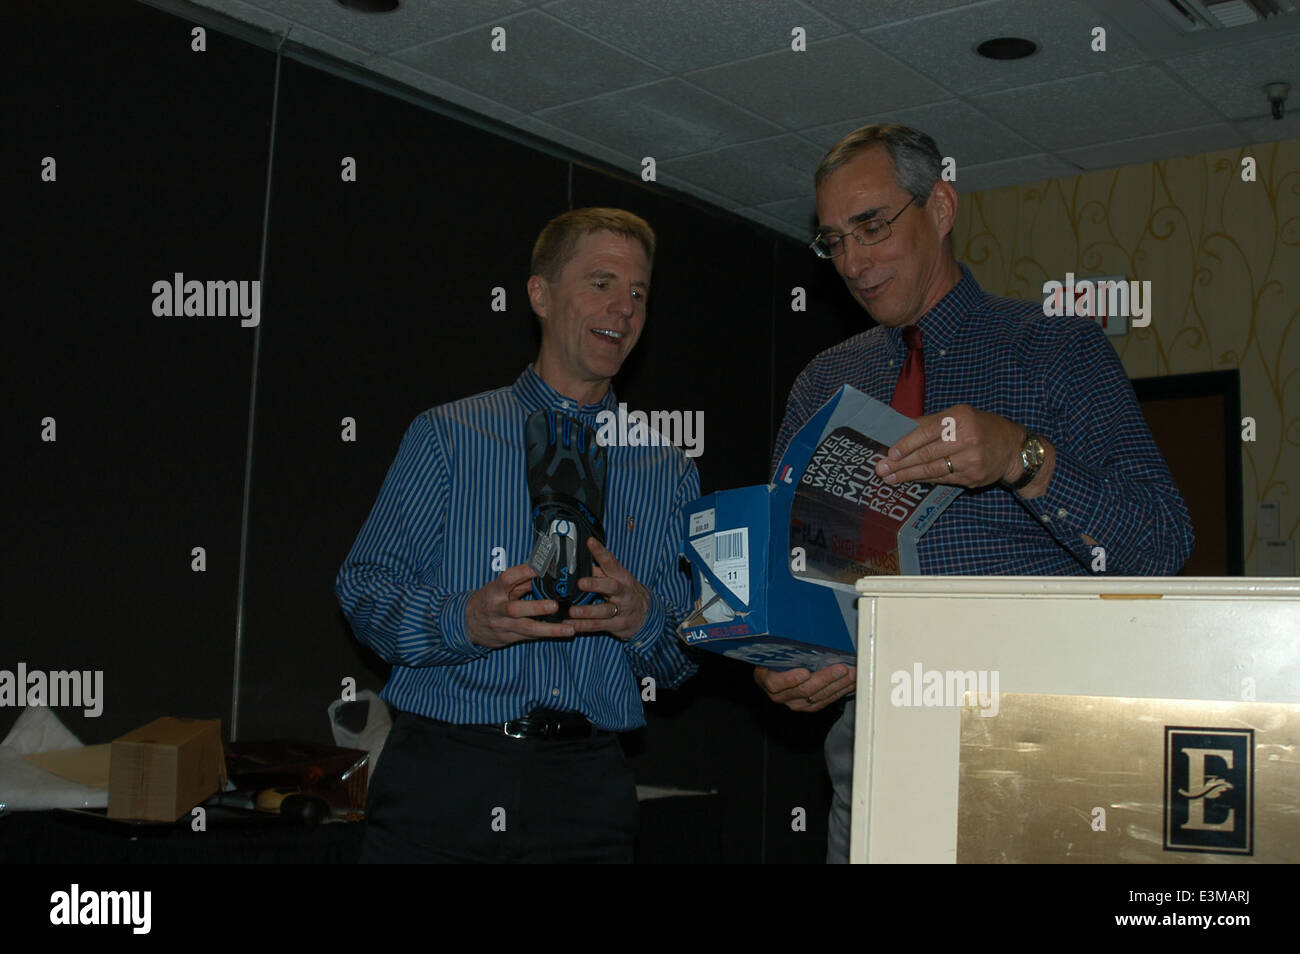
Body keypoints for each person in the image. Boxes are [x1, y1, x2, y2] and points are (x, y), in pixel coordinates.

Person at [756, 124, 1194, 863]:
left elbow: (1162, 543)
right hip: (874, 748)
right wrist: (782, 660)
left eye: (872, 227)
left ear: (943, 207)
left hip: (1039, 740)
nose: (855, 263)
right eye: (834, 242)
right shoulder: (823, 384)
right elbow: (790, 574)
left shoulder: (1059, 347)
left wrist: (1023, 459)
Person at [335, 208, 699, 863]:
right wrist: (464, 620)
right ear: (540, 293)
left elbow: (682, 659)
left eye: (639, 292)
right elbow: (363, 588)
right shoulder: (448, 435)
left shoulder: (667, 469)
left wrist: (645, 618)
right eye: (601, 282)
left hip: (588, 795)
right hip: (444, 779)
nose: (624, 305)